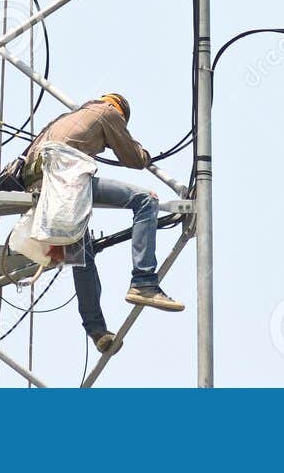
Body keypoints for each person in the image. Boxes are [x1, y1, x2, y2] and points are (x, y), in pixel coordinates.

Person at [24, 94, 184, 354]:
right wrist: (143, 153)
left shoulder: (66, 118)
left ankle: (97, 331)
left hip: (44, 189)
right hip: (65, 181)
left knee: (82, 258)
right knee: (147, 200)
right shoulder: (108, 112)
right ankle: (144, 281)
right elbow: (133, 158)